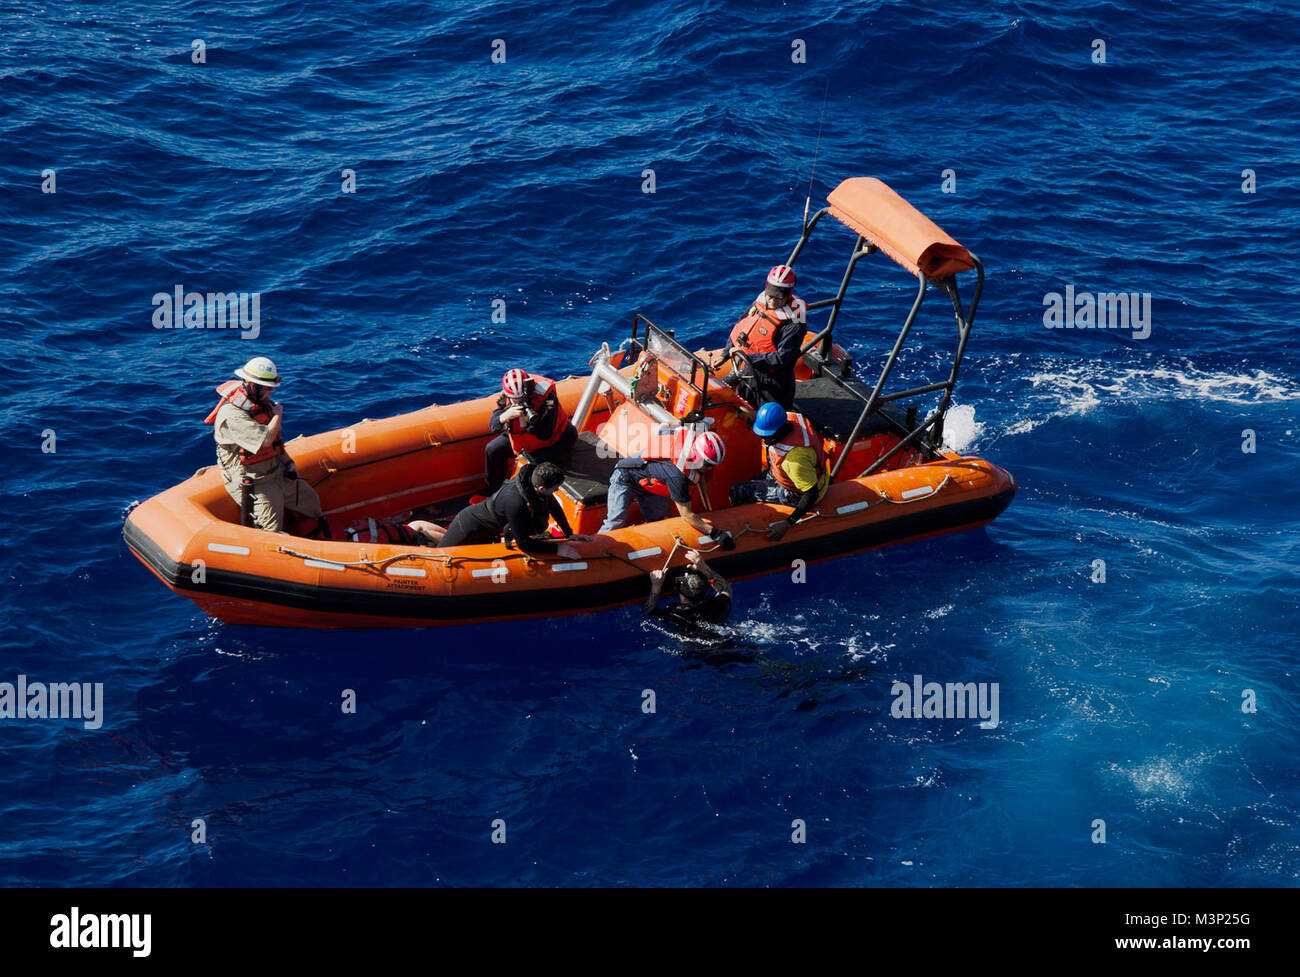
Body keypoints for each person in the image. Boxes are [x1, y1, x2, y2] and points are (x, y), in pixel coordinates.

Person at [205, 356, 328, 536]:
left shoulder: (261, 405)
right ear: (250, 385)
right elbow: (266, 440)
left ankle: (317, 538)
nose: (270, 393)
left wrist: (288, 462)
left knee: (310, 503)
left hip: (276, 470)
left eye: (271, 388)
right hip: (254, 480)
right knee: (270, 530)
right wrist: (278, 416)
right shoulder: (233, 415)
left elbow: (277, 440)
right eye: (266, 388)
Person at [598, 429, 735, 550]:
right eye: (708, 464)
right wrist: (716, 534)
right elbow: (687, 515)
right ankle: (596, 546)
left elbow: (671, 426)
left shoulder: (687, 441)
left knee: (659, 521)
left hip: (650, 483)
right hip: (624, 478)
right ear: (698, 458)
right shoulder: (677, 476)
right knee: (615, 521)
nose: (710, 469)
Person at [711, 264, 808, 410]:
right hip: (750, 372)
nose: (772, 300)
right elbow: (741, 327)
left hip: (774, 383)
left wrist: (748, 358)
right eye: (770, 293)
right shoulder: (760, 303)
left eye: (779, 296)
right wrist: (725, 354)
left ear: (788, 294)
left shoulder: (794, 324)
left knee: (769, 418)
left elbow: (782, 358)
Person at [728, 402, 829, 541]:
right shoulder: (788, 417)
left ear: (779, 431)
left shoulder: (794, 460)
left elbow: (811, 494)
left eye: (767, 436)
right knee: (749, 484)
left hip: (795, 491)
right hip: (784, 474)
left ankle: (742, 528)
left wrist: (787, 524)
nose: (764, 439)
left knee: (736, 491)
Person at [439, 461, 585, 557]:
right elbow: (523, 543)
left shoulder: (534, 481)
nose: (557, 490)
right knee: (440, 554)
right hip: (470, 525)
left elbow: (552, 503)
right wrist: (558, 550)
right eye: (555, 488)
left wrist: (568, 533)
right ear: (541, 488)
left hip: (490, 529)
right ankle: (421, 532)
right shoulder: (516, 503)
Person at [484, 368, 578, 494]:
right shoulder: (508, 398)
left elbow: (546, 434)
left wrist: (529, 421)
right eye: (514, 399)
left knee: (532, 471)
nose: (518, 402)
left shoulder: (547, 398)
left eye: (521, 398)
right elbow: (494, 425)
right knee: (492, 449)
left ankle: (524, 500)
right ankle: (492, 490)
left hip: (554, 440)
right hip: (525, 438)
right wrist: (504, 416)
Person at [645, 549, 732, 626]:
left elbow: (649, 612)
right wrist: (703, 567)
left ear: (682, 596)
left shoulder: (676, 615)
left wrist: (656, 586)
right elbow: (725, 589)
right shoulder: (717, 607)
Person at [343, 517, 445, 546]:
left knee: (417, 523)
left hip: (405, 533)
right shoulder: (362, 542)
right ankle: (457, 544)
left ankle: (455, 534)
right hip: (409, 543)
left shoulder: (357, 532)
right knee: (425, 534)